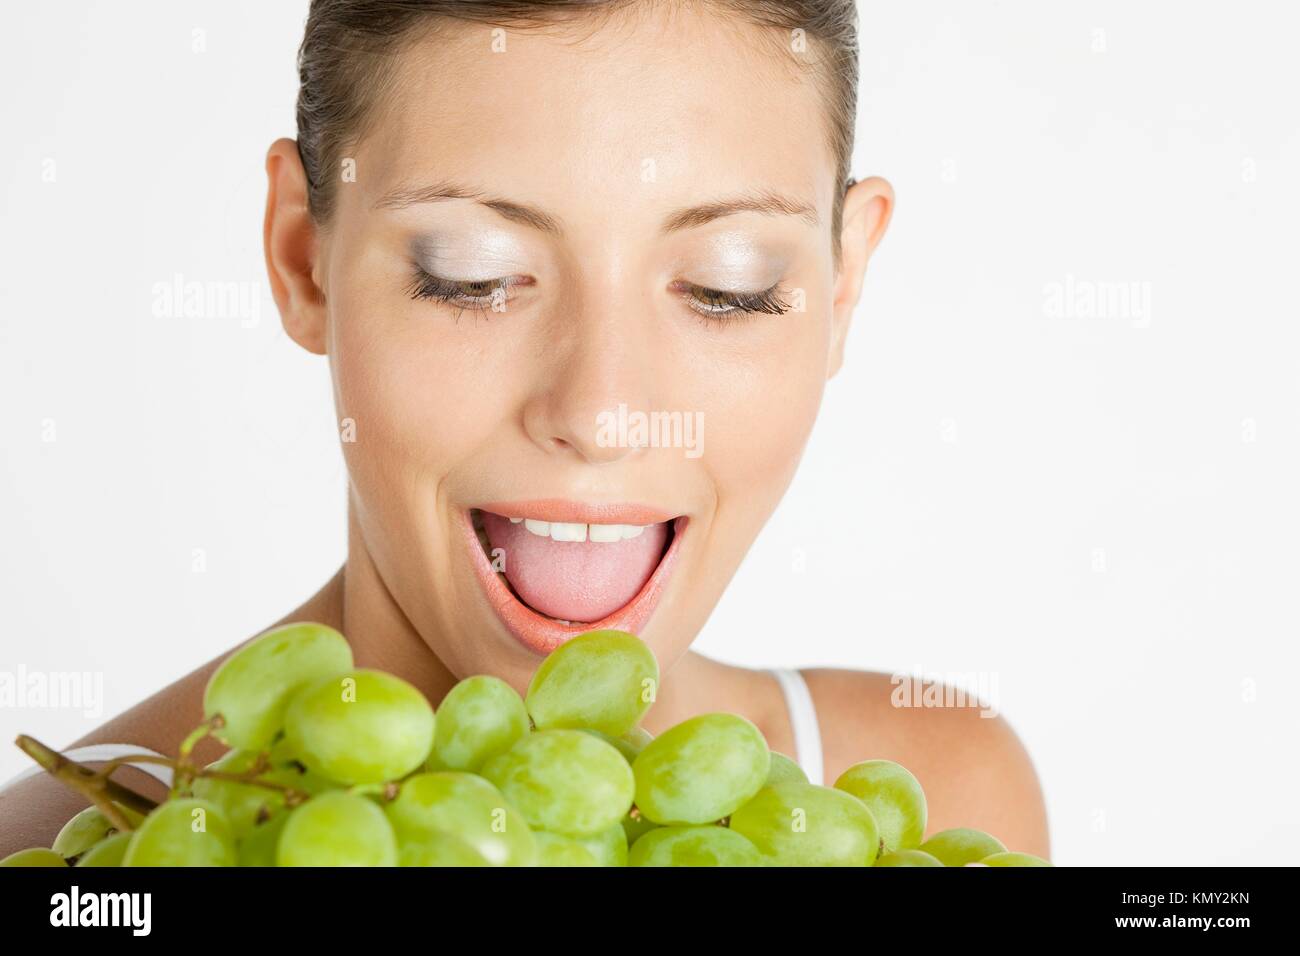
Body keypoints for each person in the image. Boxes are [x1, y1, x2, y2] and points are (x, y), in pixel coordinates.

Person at [0, 0, 1049, 860]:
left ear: (842, 283)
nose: (599, 413)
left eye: (731, 287)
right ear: (300, 258)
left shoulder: (947, 790)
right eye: (474, 276)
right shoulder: (75, 859)